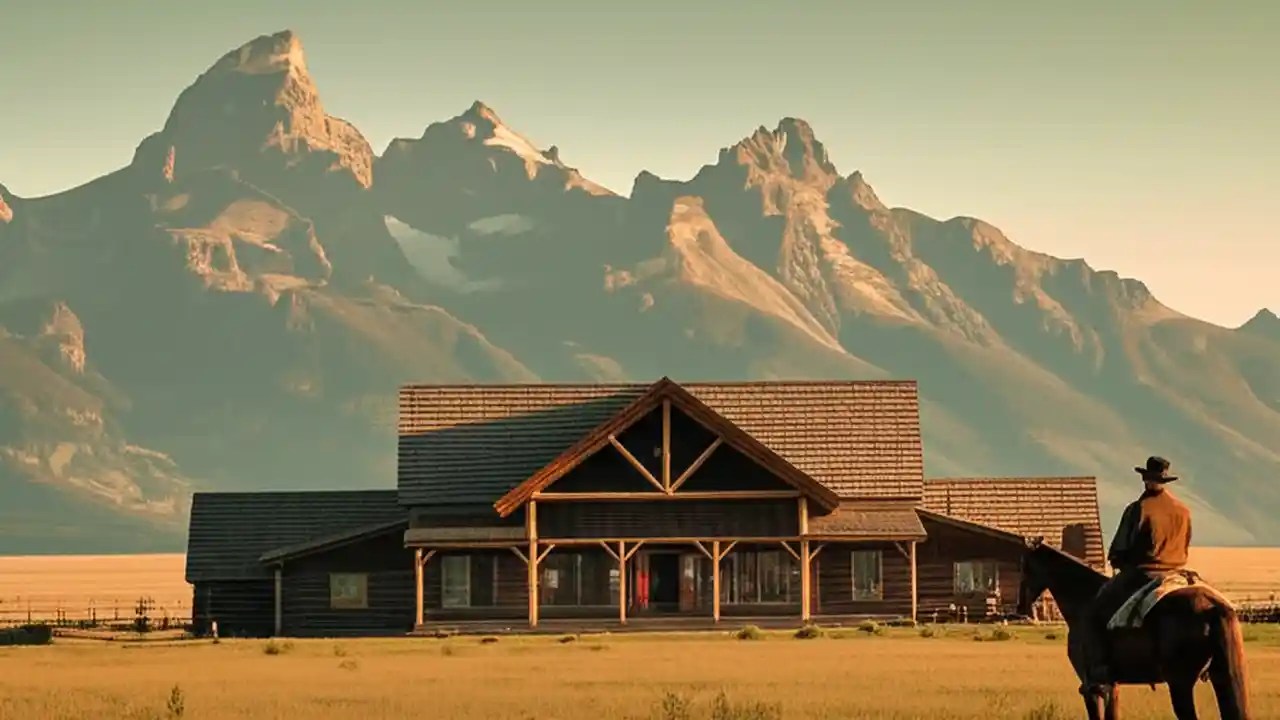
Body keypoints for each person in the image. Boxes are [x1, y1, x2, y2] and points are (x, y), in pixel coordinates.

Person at [1080, 455, 1193, 694]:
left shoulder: (1138, 509)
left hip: (1143, 573)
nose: (1149, 483)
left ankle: (1101, 668)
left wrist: (1118, 560)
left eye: (1150, 479)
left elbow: (1121, 547)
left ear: (1146, 479)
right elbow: (1186, 543)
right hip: (1177, 572)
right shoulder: (1183, 510)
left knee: (1094, 611)